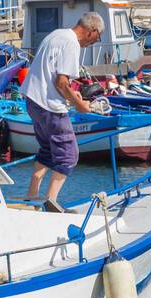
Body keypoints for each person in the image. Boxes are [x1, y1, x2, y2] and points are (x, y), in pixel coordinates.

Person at [21, 12, 104, 212]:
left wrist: (74, 96)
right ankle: (51, 201)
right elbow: (61, 83)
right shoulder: (72, 43)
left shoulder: (57, 34)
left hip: (33, 101)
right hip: (50, 106)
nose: (95, 42)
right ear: (91, 31)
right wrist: (79, 104)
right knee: (69, 155)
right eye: (97, 37)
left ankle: (31, 197)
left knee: (48, 150)